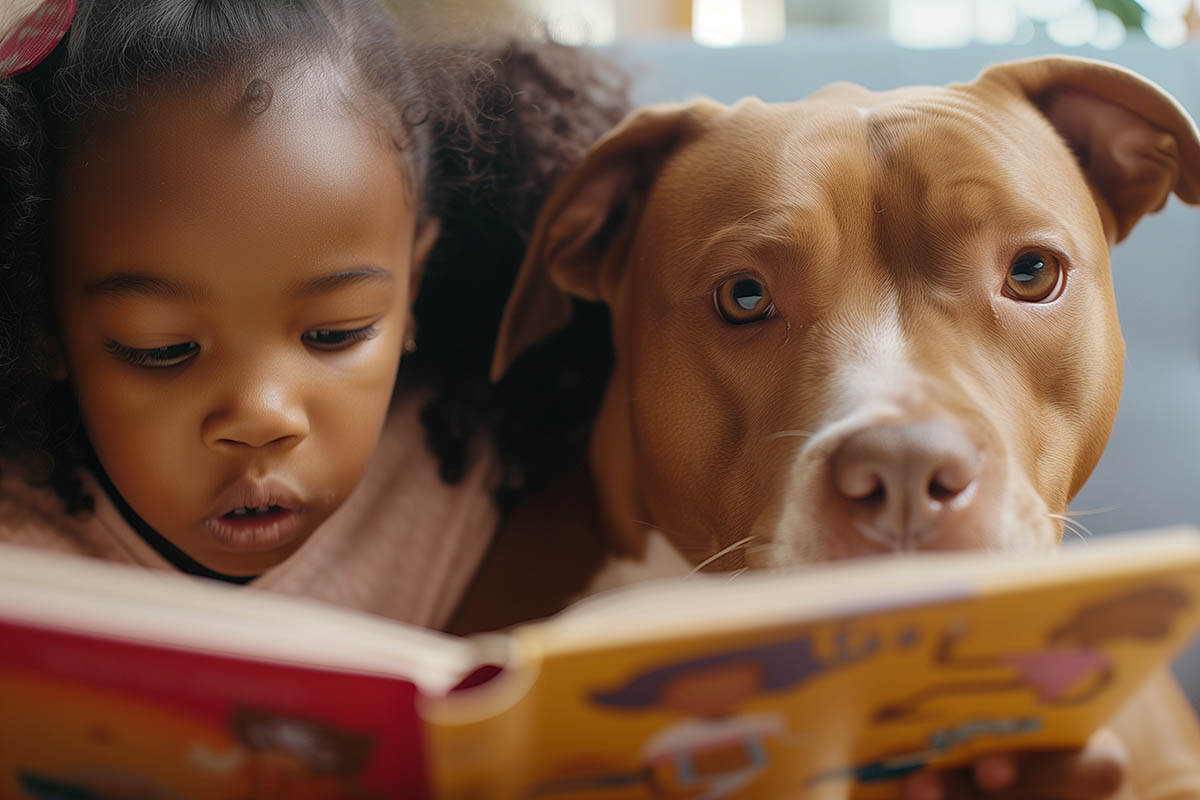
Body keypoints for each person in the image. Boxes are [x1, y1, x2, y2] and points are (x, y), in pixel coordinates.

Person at [0, 0, 625, 630]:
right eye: (162, 348)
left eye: (335, 333)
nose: (261, 418)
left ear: (412, 286)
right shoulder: (19, 567)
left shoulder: (482, 482)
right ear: (43, 320)